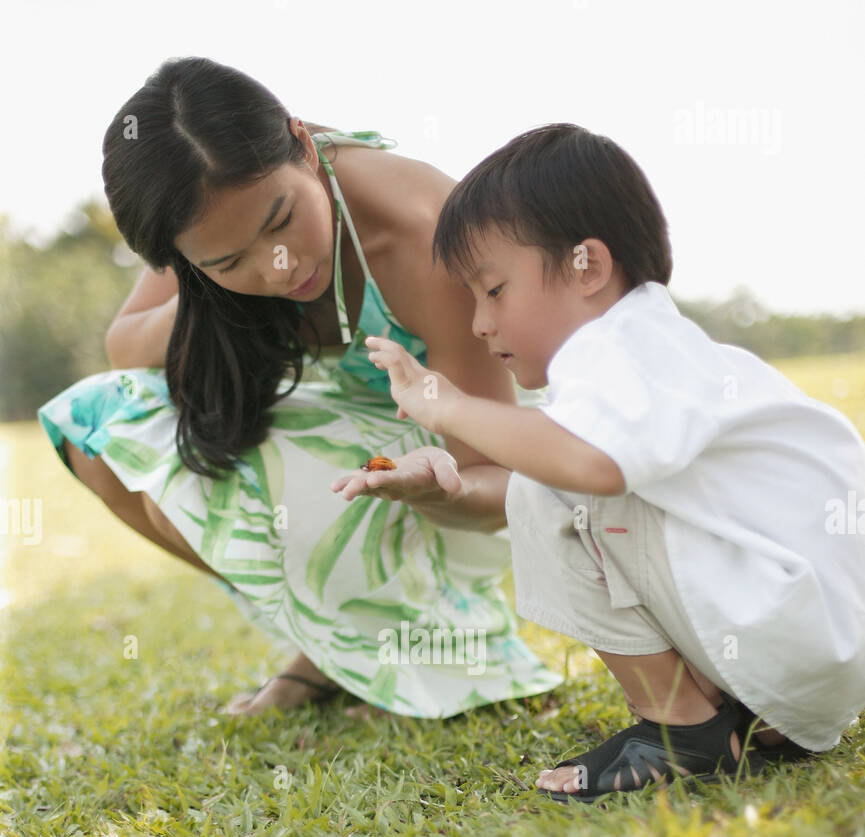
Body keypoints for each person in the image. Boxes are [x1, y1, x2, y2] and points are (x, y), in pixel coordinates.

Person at [342, 122, 865, 802]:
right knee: (544, 475)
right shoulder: (658, 349)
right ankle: (743, 721)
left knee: (542, 486)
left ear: (586, 265)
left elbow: (586, 471)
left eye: (493, 290)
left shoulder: (626, 346)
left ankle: (682, 727)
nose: (478, 323)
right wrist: (439, 480)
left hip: (783, 632)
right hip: (802, 648)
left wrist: (444, 405)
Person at [36, 57, 561, 719]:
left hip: (484, 452)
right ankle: (337, 649)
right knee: (97, 431)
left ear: (305, 145)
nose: (277, 268)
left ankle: (400, 649)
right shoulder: (202, 215)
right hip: (354, 434)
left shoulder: (417, 235)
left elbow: (496, 481)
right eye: (227, 260)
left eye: (280, 222)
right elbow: (126, 347)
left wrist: (436, 489)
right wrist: (213, 294)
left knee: (254, 483)